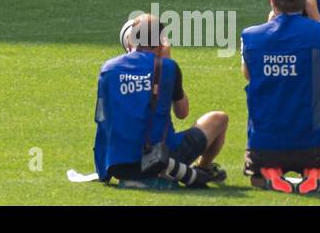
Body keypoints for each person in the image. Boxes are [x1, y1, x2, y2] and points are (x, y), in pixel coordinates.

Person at [240, 0, 320, 193]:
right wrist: (316, 15)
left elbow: (249, 73)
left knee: (255, 179)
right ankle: (317, 176)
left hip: (266, 141)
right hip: (318, 139)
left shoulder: (250, 35)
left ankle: (270, 175)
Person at [92, 13, 229, 187]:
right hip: (158, 159)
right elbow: (182, 112)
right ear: (161, 41)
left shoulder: (108, 69)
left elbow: (101, 120)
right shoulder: (167, 67)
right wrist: (167, 60)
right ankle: (204, 168)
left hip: (118, 165)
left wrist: (103, 168)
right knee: (219, 118)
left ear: (131, 40)